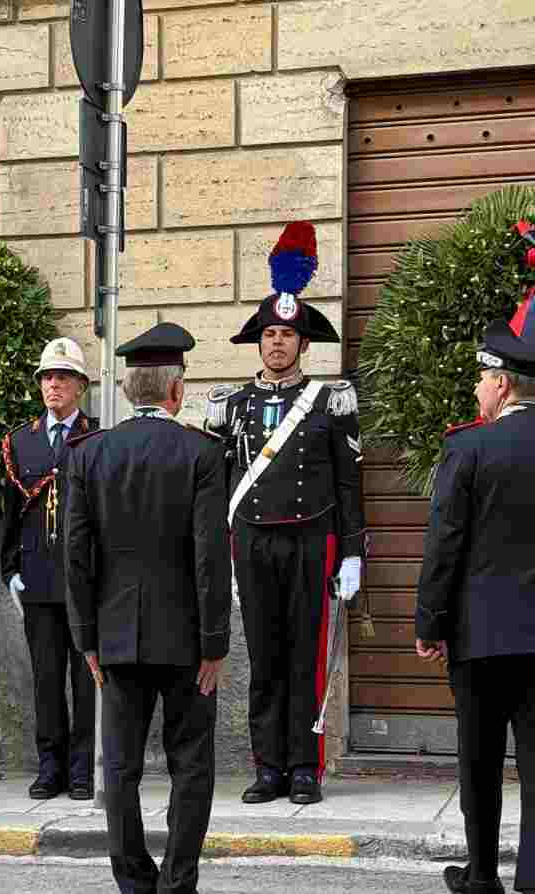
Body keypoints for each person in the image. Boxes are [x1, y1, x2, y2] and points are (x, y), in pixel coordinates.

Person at [65, 322, 231, 894]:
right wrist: (215, 643)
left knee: (121, 768)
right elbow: (211, 555)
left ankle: (134, 882)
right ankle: (177, 882)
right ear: (177, 391)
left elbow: (76, 557)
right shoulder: (202, 452)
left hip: (115, 635)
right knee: (191, 765)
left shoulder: (90, 454)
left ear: (129, 390)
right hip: (186, 637)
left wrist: (85, 638)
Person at [206, 221, 365, 806]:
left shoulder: (331, 401)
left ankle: (305, 765)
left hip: (311, 539)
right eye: (270, 333)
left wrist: (352, 550)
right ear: (260, 342)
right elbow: (216, 486)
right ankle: (267, 765)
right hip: (251, 542)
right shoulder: (232, 405)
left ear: (303, 344)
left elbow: (350, 480)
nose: (277, 343)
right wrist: (213, 554)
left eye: (286, 335)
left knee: (305, 654)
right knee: (265, 656)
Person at [415, 319, 535, 894]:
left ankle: (482, 875)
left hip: (480, 635)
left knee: (479, 762)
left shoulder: (468, 446)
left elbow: (445, 543)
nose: (477, 390)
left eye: (483, 379)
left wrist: (429, 623)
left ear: (504, 386)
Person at [0, 336, 97, 800]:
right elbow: (10, 509)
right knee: (46, 678)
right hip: (38, 575)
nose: (52, 384)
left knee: (85, 677)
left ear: (80, 385)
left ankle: (82, 768)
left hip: (84, 578)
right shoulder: (22, 440)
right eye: (46, 377)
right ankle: (50, 765)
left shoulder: (96, 437)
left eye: (62, 377)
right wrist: (10, 567)